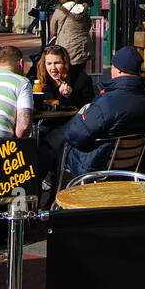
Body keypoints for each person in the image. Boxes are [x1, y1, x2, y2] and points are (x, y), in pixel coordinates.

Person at [62, 46, 145, 178]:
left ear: (118, 70)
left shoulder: (107, 102)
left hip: (98, 166)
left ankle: (57, 192)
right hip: (136, 165)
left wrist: (82, 115)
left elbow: (75, 136)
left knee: (60, 145)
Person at [35, 47, 94, 192]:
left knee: (51, 145)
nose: (52, 68)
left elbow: (89, 106)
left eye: (57, 63)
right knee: (33, 140)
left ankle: (49, 184)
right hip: (45, 121)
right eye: (48, 63)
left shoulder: (80, 79)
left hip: (70, 122)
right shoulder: (39, 79)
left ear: (65, 63)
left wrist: (70, 95)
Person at [49, 0, 92, 78]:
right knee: (79, 72)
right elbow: (88, 25)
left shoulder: (59, 11)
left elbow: (53, 30)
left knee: (67, 72)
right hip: (82, 46)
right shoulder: (83, 10)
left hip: (65, 46)